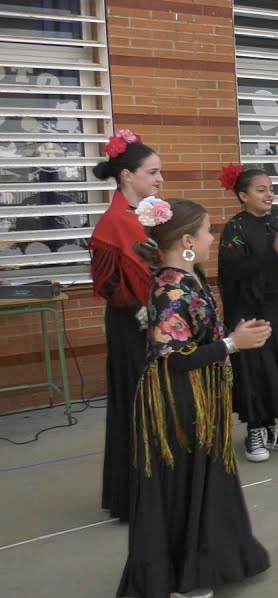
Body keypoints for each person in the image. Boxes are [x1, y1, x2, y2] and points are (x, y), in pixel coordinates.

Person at [116, 198, 272, 598]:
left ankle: (220, 561)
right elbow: (175, 357)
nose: (210, 239)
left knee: (207, 478)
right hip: (177, 400)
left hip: (200, 394)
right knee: (185, 483)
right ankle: (181, 576)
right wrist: (232, 344)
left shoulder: (189, 277)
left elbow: (201, 333)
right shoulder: (169, 288)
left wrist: (232, 335)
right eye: (206, 232)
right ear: (187, 241)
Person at [88, 128, 162, 523]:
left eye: (159, 172)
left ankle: (160, 486)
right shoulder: (113, 222)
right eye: (152, 172)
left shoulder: (152, 215)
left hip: (161, 321)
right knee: (137, 406)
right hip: (132, 326)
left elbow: (182, 260)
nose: (159, 179)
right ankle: (134, 496)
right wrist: (142, 309)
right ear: (127, 176)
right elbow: (106, 285)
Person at [218, 165, 278, 461]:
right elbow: (234, 272)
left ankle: (273, 429)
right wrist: (273, 253)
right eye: (261, 190)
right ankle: (254, 431)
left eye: (271, 189)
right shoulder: (235, 228)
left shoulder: (277, 224)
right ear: (243, 195)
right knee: (254, 371)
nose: (269, 194)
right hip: (249, 311)